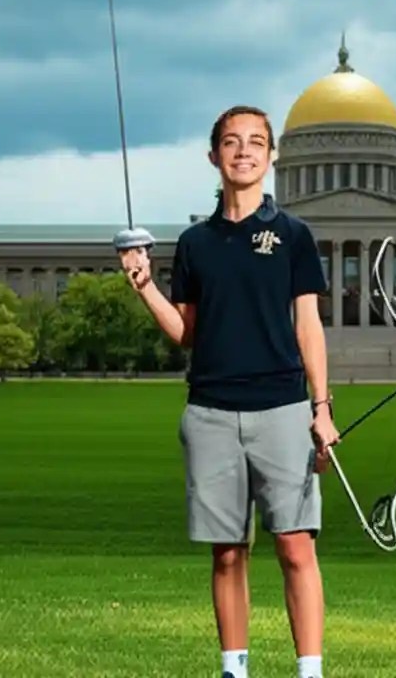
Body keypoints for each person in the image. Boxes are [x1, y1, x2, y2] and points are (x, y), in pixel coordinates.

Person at [119, 105, 340, 678]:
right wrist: (145, 288)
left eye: (256, 142)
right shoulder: (195, 243)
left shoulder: (293, 235)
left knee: (296, 547)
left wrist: (321, 407)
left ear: (271, 157)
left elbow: (308, 326)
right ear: (214, 155)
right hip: (212, 412)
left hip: (284, 410)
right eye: (232, 142)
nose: (244, 151)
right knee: (227, 552)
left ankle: (309, 672)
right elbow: (188, 333)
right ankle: (233, 670)